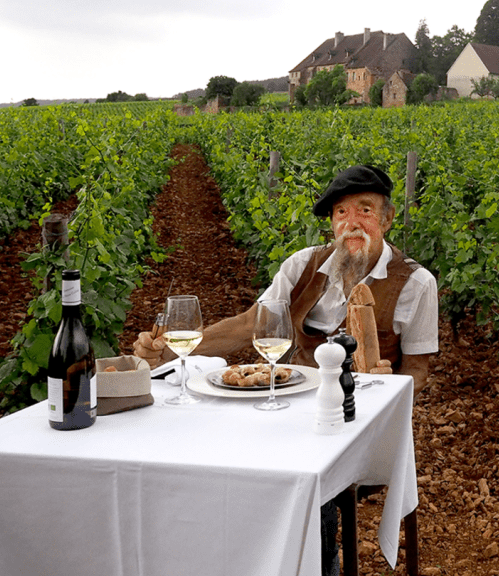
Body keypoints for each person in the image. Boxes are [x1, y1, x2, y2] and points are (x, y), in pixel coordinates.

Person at [132, 164, 438, 576]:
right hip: (290, 406)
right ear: (331, 223)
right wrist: (172, 351)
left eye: (365, 210)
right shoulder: (301, 267)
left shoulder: (417, 283)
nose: (352, 223)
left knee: (305, 477)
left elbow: (418, 370)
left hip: (360, 421)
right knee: (225, 456)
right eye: (341, 212)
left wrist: (389, 385)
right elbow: (248, 325)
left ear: (386, 219)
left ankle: (317, 562)